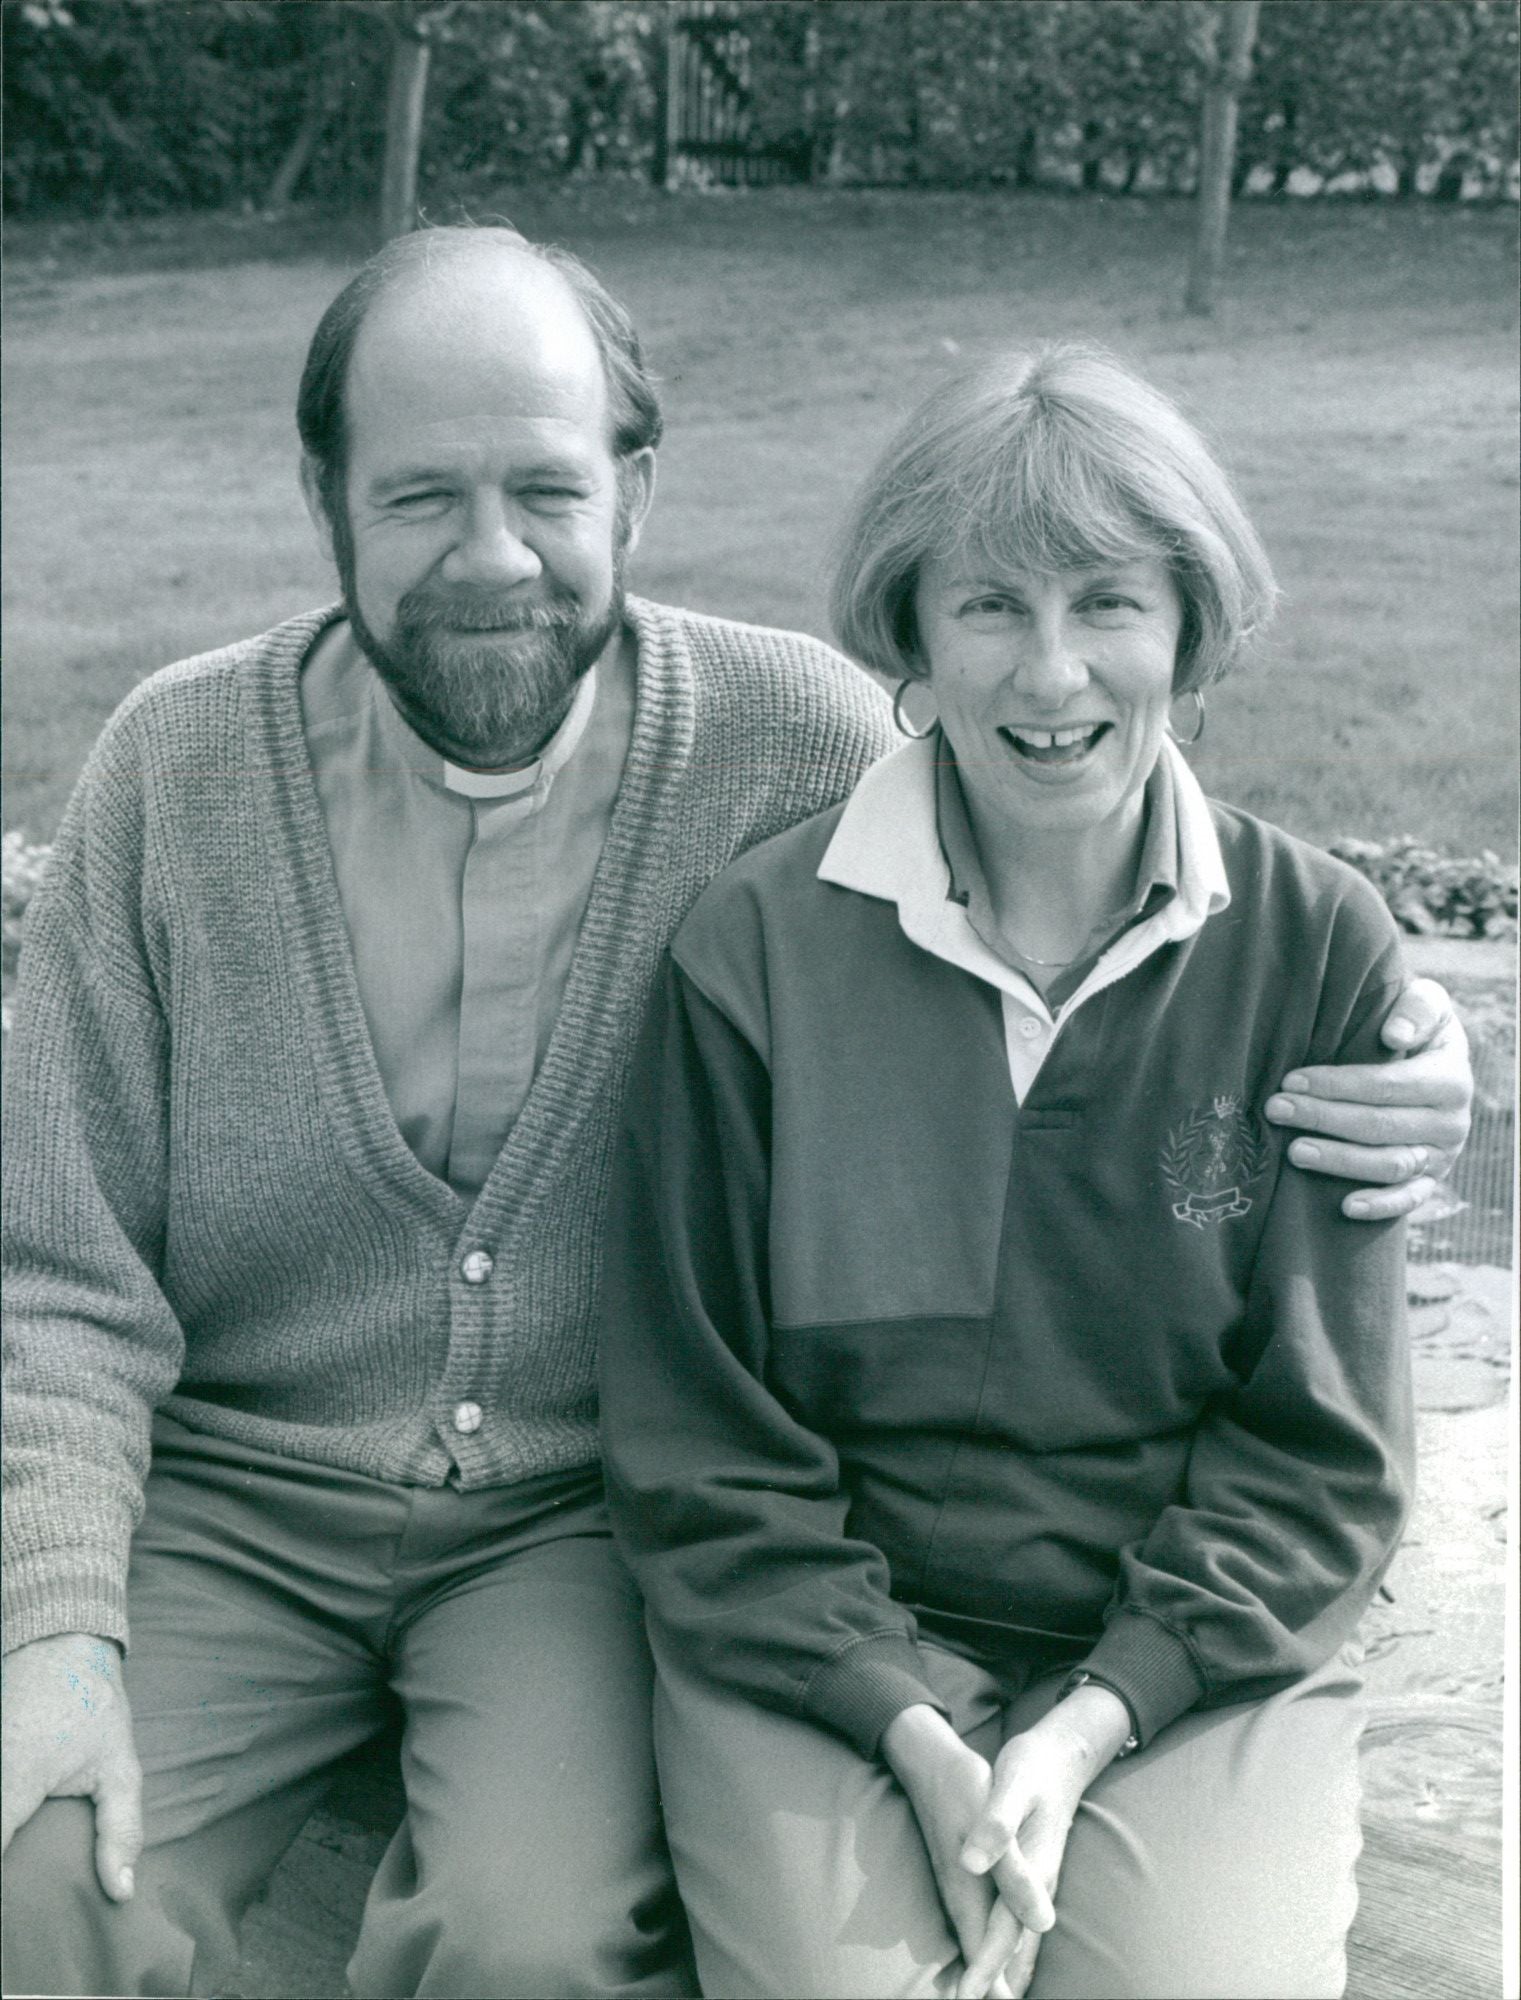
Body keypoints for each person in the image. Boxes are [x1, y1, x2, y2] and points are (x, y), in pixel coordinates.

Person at [0, 231, 1466, 2000]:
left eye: (547, 489)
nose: (492, 554)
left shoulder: (797, 739)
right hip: (242, 1501)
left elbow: (1067, 833)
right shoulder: (176, 768)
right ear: (326, 498)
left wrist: (1408, 1053)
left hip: (560, 1525)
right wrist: (55, 1623)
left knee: (531, 1940)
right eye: (421, 496)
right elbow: (54, 1267)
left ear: (635, 488)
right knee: (39, 1871)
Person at [599, 345, 1443, 2000]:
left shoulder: (1312, 949)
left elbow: (1320, 1449)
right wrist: (910, 1730)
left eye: (1108, 603)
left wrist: (1091, 1719)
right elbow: (697, 1435)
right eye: (988, 605)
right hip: (822, 1643)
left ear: (1188, 626)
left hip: (1192, 1652)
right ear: (910, 632)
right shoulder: (754, 951)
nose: (1050, 674)